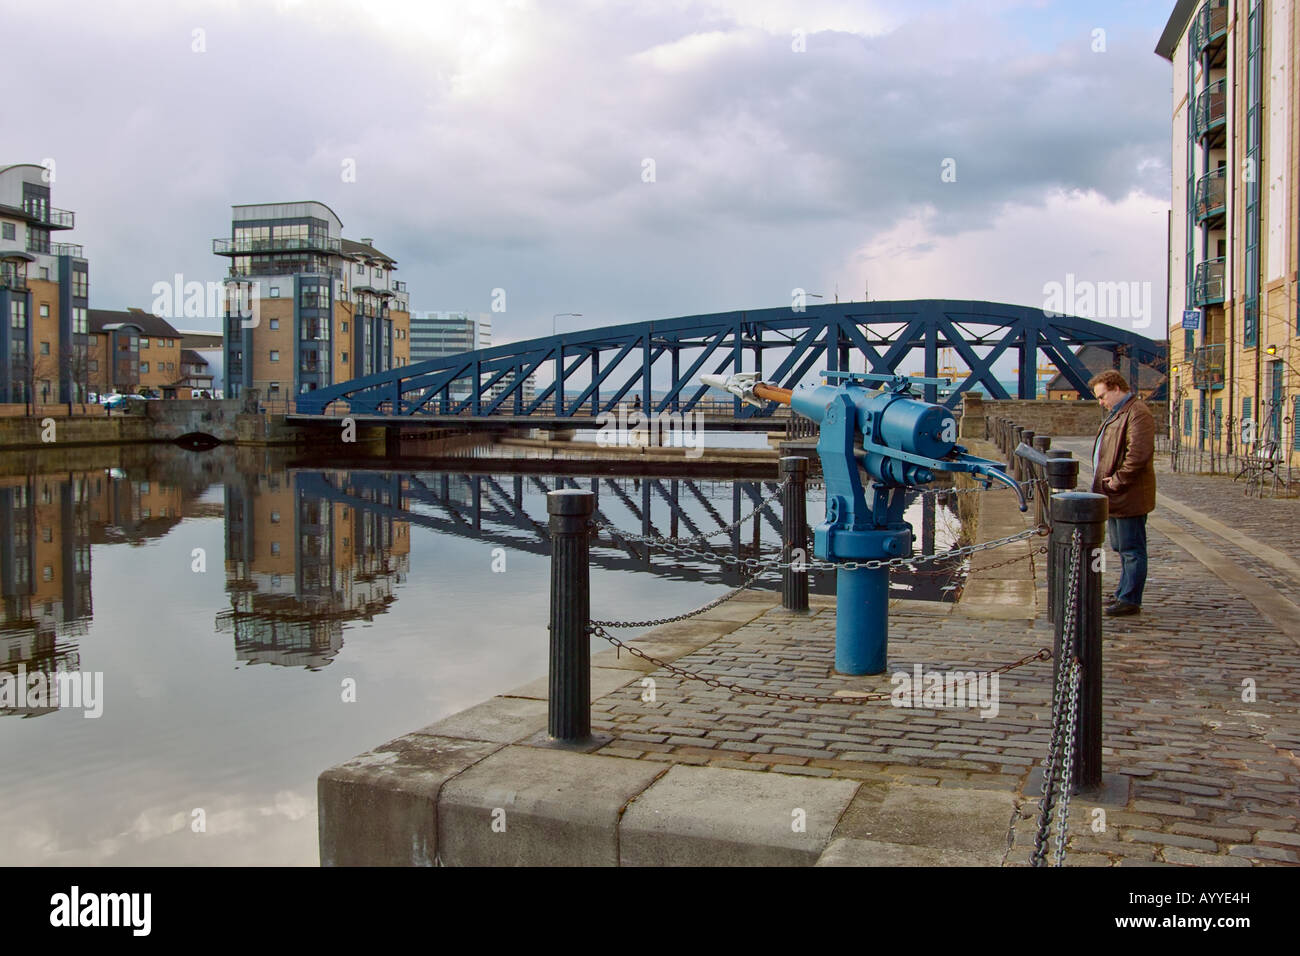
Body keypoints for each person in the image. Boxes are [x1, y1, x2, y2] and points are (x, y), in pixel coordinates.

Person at [1088, 370, 1156, 616]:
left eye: (1102, 396)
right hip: (1114, 494)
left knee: (1131, 548)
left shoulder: (1137, 413)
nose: (1101, 402)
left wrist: (1117, 481)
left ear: (1116, 388)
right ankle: (1123, 592)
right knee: (1119, 546)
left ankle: (1130, 599)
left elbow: (1137, 455)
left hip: (1128, 494)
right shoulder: (1119, 413)